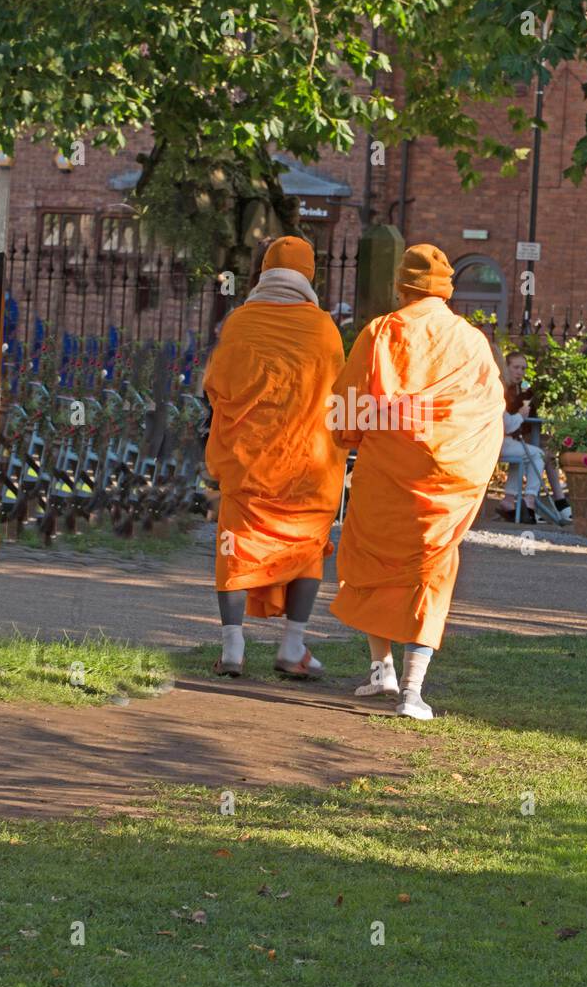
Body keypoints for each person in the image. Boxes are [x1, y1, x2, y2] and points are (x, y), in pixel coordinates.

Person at [329, 243, 505, 720]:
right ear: (445, 289)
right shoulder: (471, 343)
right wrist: (466, 464)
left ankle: (380, 666)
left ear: (401, 286)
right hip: (447, 481)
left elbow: (348, 403)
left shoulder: (382, 331)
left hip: (384, 473)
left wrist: (349, 436)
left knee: (370, 561)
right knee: (431, 573)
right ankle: (411, 690)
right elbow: (490, 413)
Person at [203, 235, 345, 678]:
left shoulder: (240, 323)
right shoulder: (323, 328)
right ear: (309, 275)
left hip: (249, 463)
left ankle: (232, 647)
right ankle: (292, 645)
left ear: (264, 273)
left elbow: (215, 386)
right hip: (309, 466)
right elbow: (340, 392)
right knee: (305, 551)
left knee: (236, 549)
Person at [496, 350, 572, 523]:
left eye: (523, 369)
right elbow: (507, 423)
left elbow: (532, 418)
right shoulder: (501, 388)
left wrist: (526, 397)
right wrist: (520, 415)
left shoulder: (523, 388)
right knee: (536, 454)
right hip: (498, 440)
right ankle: (530, 503)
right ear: (506, 367)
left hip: (512, 438)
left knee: (537, 452)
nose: (520, 372)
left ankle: (511, 500)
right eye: (516, 367)